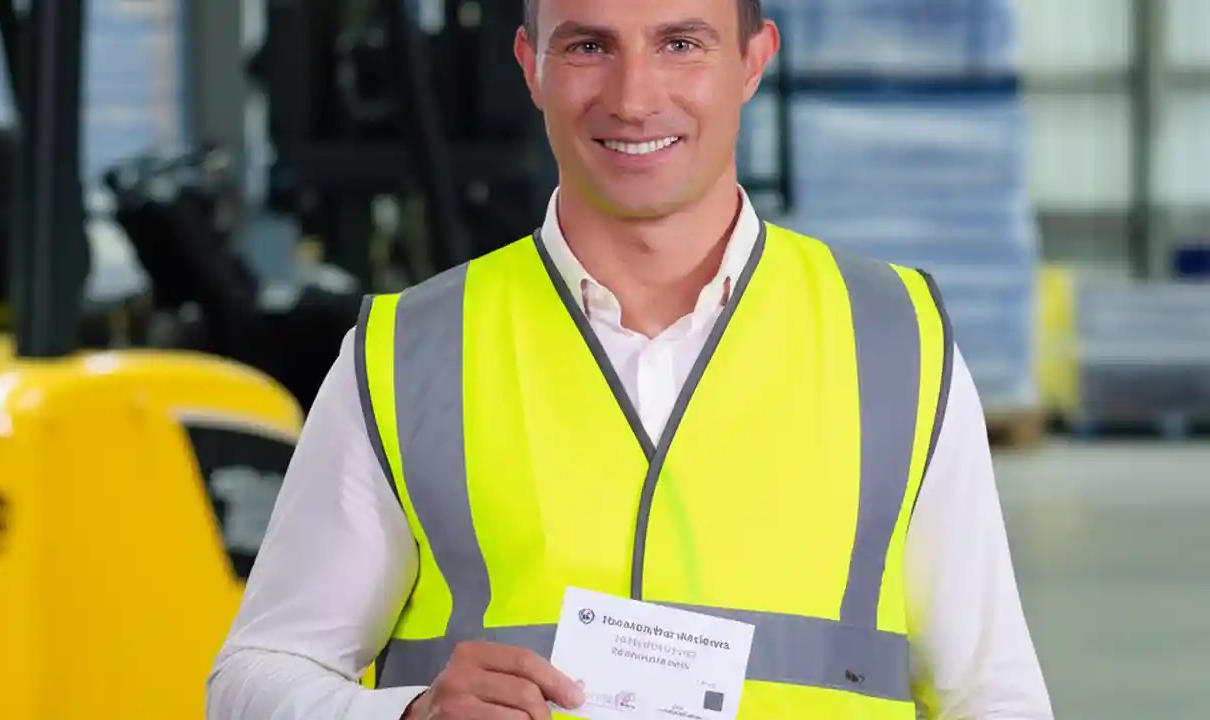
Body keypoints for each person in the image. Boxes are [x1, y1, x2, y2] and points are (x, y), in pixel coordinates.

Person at [207, 0, 1054, 717]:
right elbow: (253, 677)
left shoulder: (893, 340)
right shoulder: (409, 353)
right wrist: (407, 713)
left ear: (753, 61)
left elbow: (993, 693)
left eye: (680, 44)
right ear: (530, 66)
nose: (634, 98)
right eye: (588, 46)